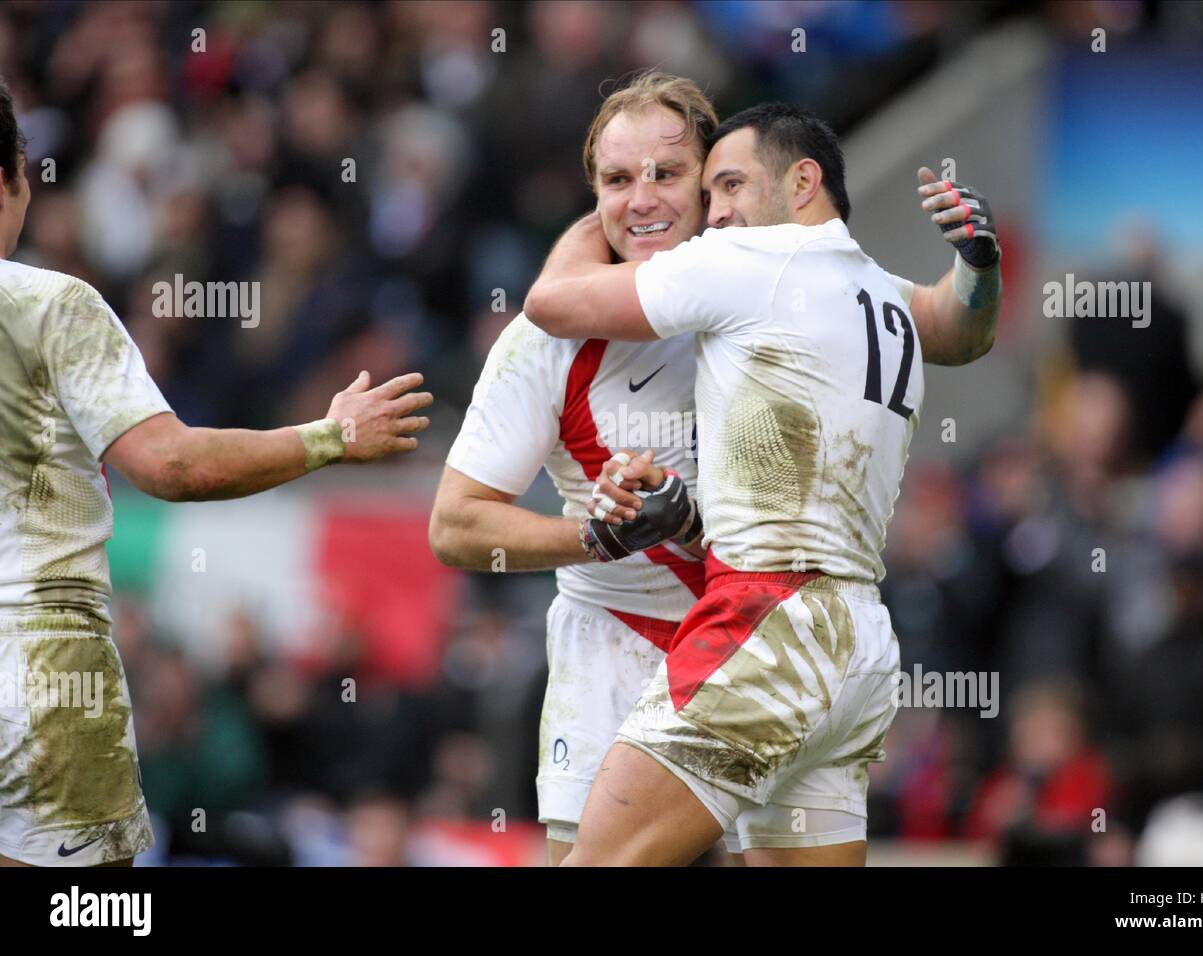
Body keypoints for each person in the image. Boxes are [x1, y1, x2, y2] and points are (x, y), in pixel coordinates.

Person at [524, 102, 1003, 865]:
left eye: (732, 186)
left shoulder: (751, 262)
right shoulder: (884, 294)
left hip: (765, 619)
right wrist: (979, 265)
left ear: (804, 181)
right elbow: (962, 330)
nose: (714, 216)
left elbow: (550, 305)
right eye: (707, 196)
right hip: (860, 646)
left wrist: (611, 206)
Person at [0, 78, 433, 867]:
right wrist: (328, 437)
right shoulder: (49, 306)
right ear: (14, 175)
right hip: (40, 673)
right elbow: (169, 465)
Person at [429, 71, 718, 866]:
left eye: (667, 173)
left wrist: (971, 285)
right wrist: (595, 534)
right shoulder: (544, 337)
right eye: (619, 179)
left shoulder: (768, 298)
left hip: (753, 636)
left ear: (712, 182)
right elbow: (455, 525)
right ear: (594, 198)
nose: (644, 199)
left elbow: (939, 334)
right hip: (613, 644)